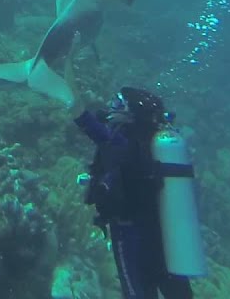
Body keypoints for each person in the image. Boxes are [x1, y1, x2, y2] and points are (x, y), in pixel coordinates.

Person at [75, 87, 203, 299]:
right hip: (163, 233)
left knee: (136, 291)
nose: (111, 106)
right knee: (176, 290)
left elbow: (84, 120)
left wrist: (67, 77)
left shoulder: (122, 141)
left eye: (118, 102)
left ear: (130, 113)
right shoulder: (155, 143)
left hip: (129, 234)